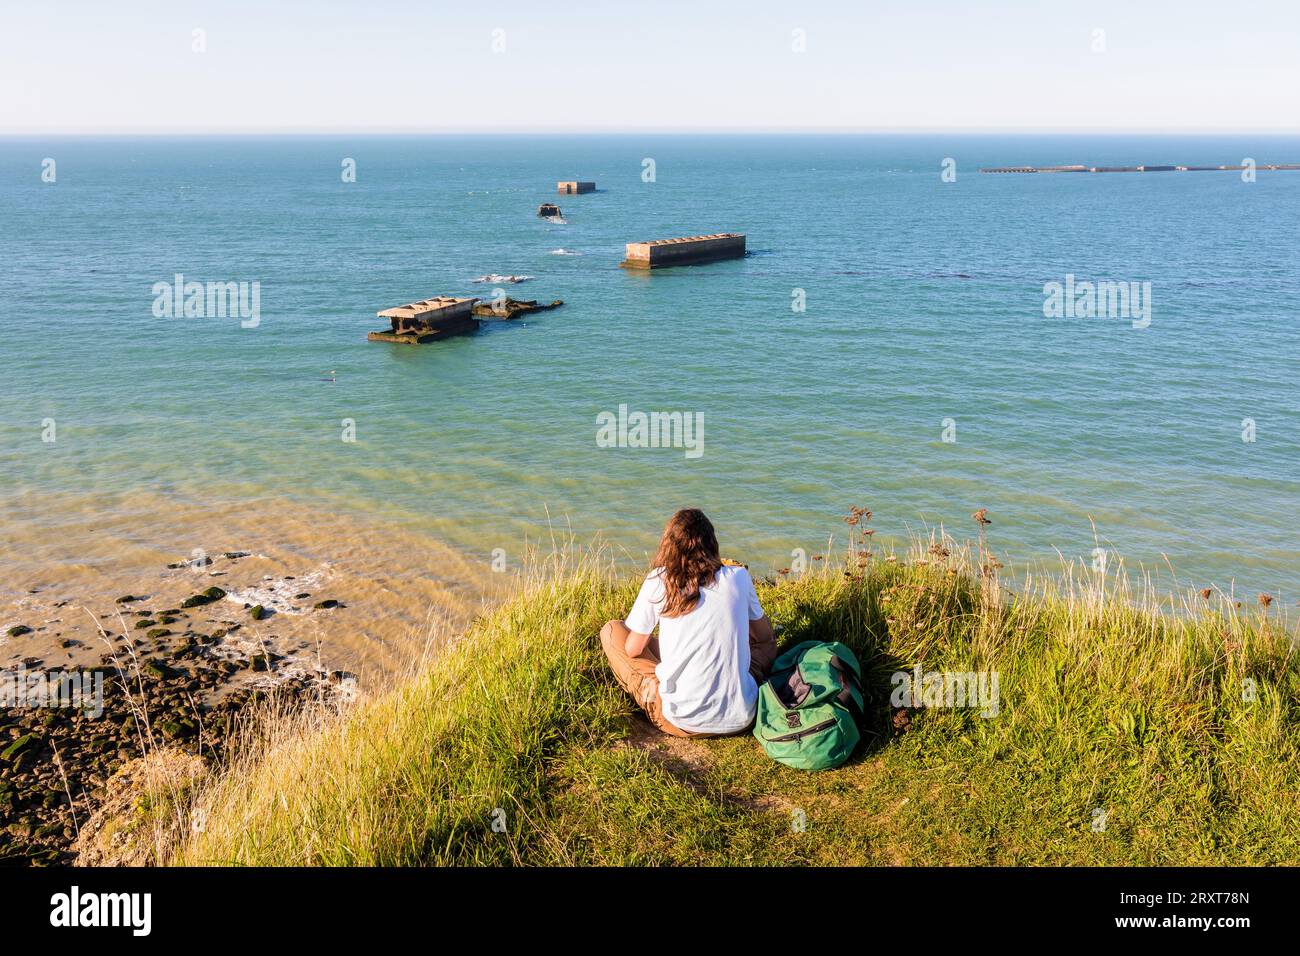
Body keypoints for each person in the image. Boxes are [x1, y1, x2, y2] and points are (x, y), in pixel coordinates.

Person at [600, 509, 777, 738]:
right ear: (713, 544)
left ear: (668, 545)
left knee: (612, 630)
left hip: (680, 721)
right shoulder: (738, 577)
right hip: (742, 717)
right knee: (764, 645)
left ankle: (656, 690)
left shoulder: (659, 579)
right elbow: (764, 637)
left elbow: (633, 649)